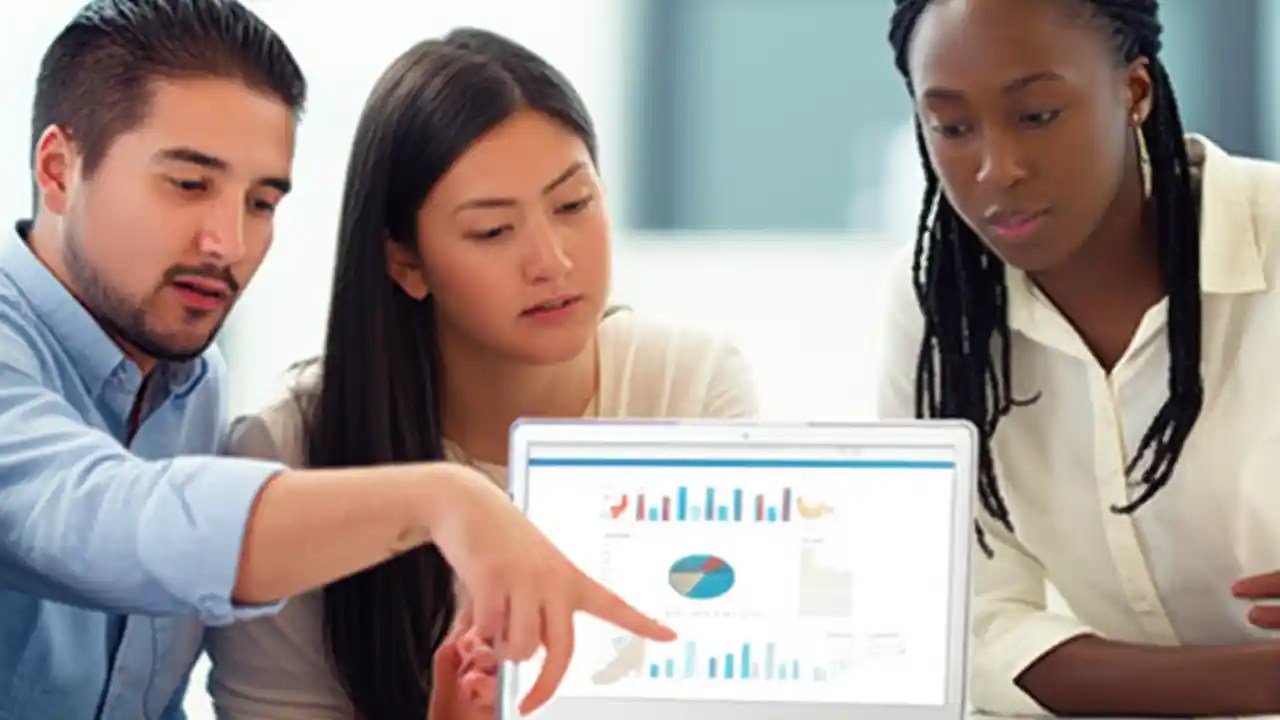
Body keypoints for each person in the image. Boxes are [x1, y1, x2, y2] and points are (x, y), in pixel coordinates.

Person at [0, 2, 675, 718]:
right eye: (190, 185)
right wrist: (446, 498)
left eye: (261, 202)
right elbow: (101, 519)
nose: (228, 242)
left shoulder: (187, 384)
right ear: (58, 170)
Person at [203, 27, 758, 720]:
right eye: (494, 231)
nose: (552, 261)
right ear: (404, 262)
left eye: (573, 205)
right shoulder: (294, 458)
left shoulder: (689, 386)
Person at [878, 0, 1280, 715]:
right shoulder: (945, 317)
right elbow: (957, 619)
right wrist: (1255, 678)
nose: (997, 169)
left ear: (1135, 91)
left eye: (1036, 115)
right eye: (951, 127)